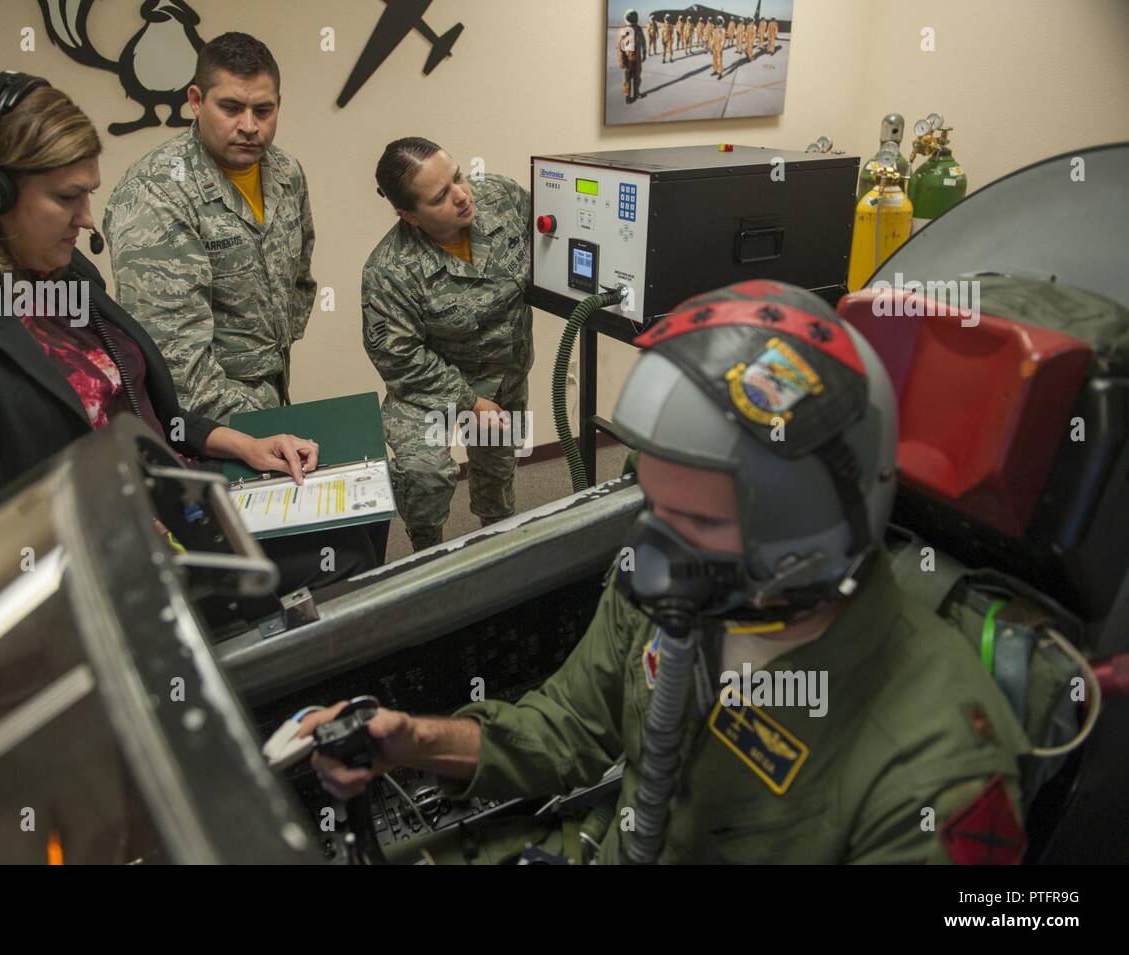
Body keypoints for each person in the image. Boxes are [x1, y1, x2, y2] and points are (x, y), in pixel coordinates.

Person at [301, 281, 1030, 864]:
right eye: (656, 503)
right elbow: (566, 729)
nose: (654, 547)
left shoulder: (935, 777)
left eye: (702, 523)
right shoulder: (674, 588)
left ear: (811, 531)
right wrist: (414, 741)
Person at [0, 72, 374, 593]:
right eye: (67, 198)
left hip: (178, 505)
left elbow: (147, 413)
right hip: (94, 576)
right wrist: (93, 525)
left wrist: (242, 443)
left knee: (359, 516)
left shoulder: (65, 271)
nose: (87, 219)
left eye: (89, 195)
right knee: (343, 557)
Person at [104, 32, 315, 419]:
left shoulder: (286, 173)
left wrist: (263, 358)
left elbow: (300, 280)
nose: (249, 126)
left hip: (272, 393)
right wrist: (256, 428)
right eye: (231, 108)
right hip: (200, 422)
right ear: (196, 102)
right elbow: (173, 359)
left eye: (263, 111)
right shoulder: (155, 193)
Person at [361, 139, 532, 552]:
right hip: (427, 389)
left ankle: (499, 550)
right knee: (426, 476)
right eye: (440, 196)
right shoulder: (389, 269)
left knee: (497, 476)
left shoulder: (500, 197)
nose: (461, 195)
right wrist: (469, 402)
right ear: (410, 216)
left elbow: (552, 236)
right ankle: (427, 554)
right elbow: (399, 356)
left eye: (457, 176)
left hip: (503, 375)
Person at [616, 9, 646, 104]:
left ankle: (636, 93)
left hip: (637, 59)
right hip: (628, 59)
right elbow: (619, 47)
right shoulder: (623, 29)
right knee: (627, 79)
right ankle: (627, 96)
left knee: (637, 77)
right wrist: (621, 60)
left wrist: (644, 53)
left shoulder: (638, 28)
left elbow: (643, 41)